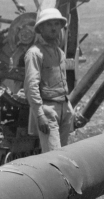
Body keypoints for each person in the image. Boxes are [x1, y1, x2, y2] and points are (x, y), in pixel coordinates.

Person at [24, 8, 74, 152]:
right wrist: (40, 115)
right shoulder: (35, 53)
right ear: (41, 28)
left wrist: (69, 109)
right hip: (48, 109)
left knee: (64, 155)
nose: (54, 28)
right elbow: (31, 86)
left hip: (64, 107)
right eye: (49, 24)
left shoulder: (59, 53)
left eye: (57, 24)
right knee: (54, 157)